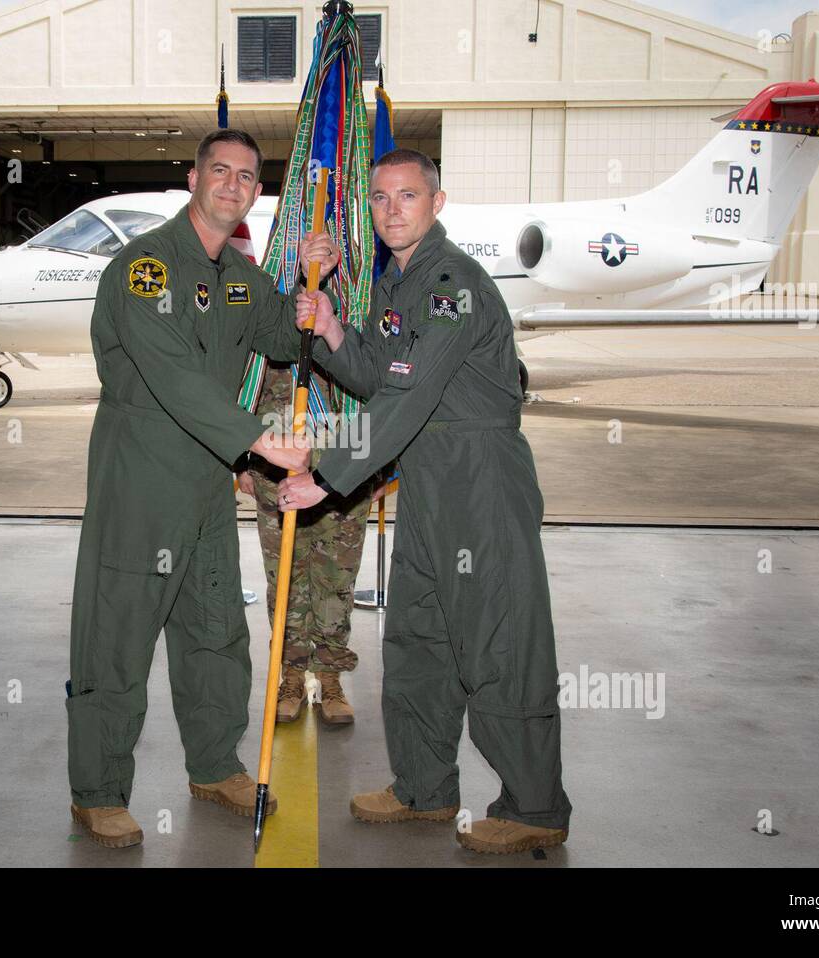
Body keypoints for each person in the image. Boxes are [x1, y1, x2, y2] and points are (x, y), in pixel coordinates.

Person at [280, 148, 572, 854]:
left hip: (480, 483)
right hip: (427, 481)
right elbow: (378, 377)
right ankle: (423, 788)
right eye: (379, 198)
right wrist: (330, 330)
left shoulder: (453, 285)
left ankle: (534, 805)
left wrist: (328, 476)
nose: (390, 210)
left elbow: (411, 394)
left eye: (406, 196)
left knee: (498, 642)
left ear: (436, 203)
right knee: (418, 639)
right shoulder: (399, 286)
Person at [67, 129, 310, 849]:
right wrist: (259, 440)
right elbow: (171, 373)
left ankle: (213, 764)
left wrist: (307, 291)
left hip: (207, 482)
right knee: (118, 636)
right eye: (220, 170)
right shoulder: (144, 270)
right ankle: (98, 792)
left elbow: (282, 336)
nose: (232, 184)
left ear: (255, 194)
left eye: (245, 176)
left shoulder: (238, 274)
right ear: (194, 177)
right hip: (142, 478)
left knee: (214, 632)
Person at [237, 360, 374, 725]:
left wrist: (377, 468)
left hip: (342, 481)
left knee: (335, 585)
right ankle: (292, 679)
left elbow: (377, 395)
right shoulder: (271, 319)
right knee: (286, 586)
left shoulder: (350, 313)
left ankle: (330, 679)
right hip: (277, 480)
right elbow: (238, 390)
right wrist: (239, 462)